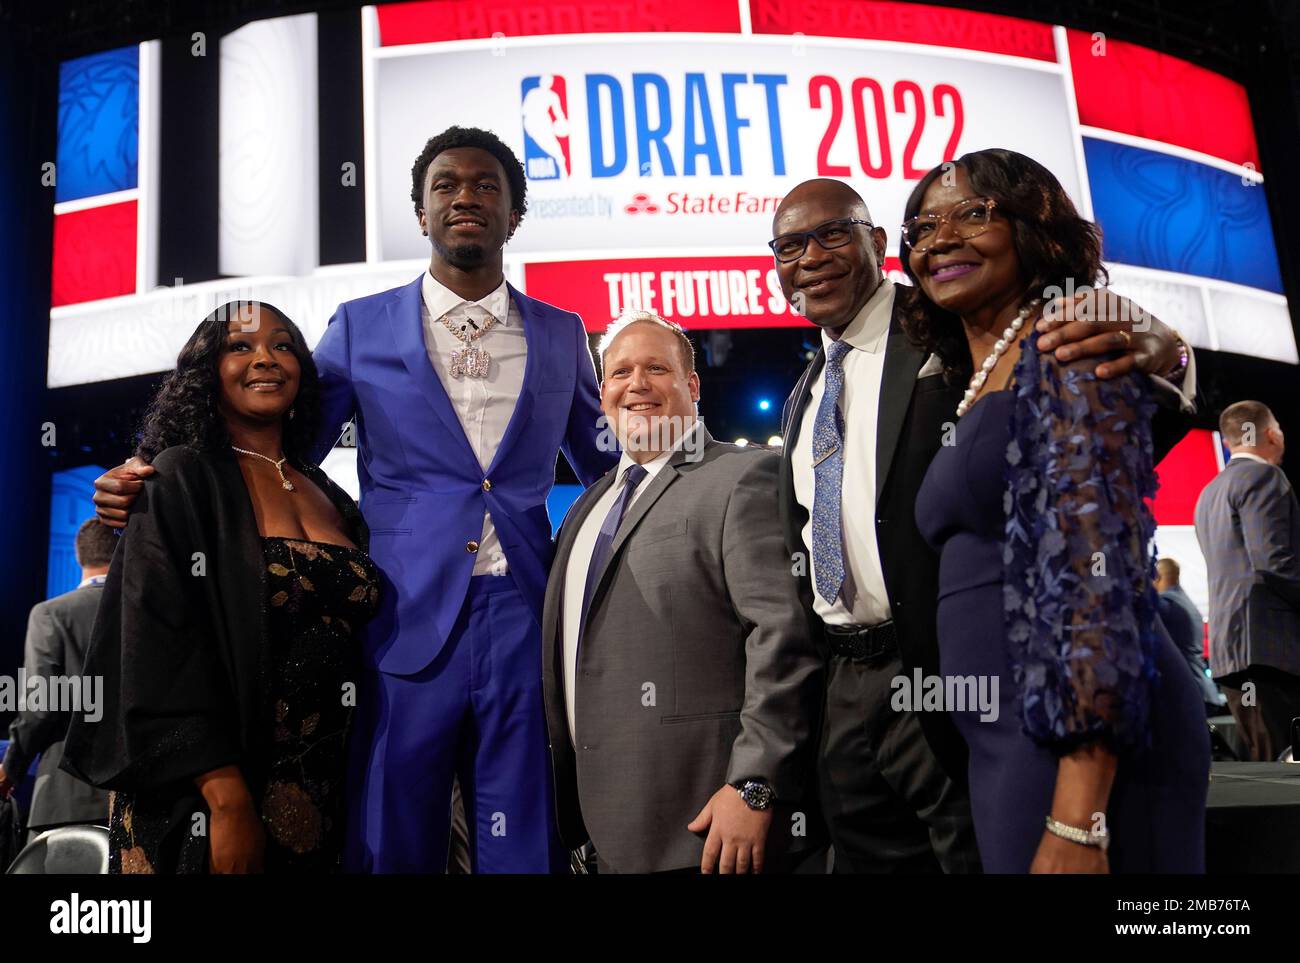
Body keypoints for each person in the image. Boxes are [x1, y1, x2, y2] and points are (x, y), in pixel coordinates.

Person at [93, 126, 614, 872]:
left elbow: (610, 467)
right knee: (389, 841)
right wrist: (153, 469)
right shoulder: (361, 326)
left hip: (525, 614)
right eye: (446, 186)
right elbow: (280, 444)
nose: (466, 196)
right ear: (421, 211)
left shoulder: (564, 334)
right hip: (401, 616)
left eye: (486, 185)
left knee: (525, 844)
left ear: (514, 214)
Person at [771, 172, 1196, 873]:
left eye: (832, 233)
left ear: (879, 244)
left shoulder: (949, 324)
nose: (809, 256)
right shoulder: (803, 393)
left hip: (962, 684)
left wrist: (1171, 354)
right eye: (789, 246)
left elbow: (1108, 432)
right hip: (844, 693)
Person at [907, 148, 1209, 872]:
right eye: (922, 226)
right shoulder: (972, 376)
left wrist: (1080, 813)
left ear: (1035, 227)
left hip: (1080, 745)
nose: (940, 239)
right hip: (1006, 737)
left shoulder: (1072, 341)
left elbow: (1096, 577)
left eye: (973, 214)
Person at [63, 302, 379, 873]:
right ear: (207, 370)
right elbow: (153, 644)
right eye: (241, 346)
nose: (266, 358)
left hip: (323, 789)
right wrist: (225, 796)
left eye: (283, 346)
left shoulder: (331, 494)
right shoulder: (179, 475)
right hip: (207, 796)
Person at [541, 312, 822, 874]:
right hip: (597, 832)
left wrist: (754, 786)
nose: (637, 384)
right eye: (620, 371)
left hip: (706, 831)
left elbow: (784, 640)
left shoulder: (743, 477)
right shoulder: (585, 507)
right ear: (602, 395)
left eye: (656, 368)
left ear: (692, 386)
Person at [1195, 401, 1300, 760]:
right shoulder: (1265, 477)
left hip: (1232, 651)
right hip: (1271, 650)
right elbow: (1274, 561)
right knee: (1289, 768)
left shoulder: (1209, 493)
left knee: (1270, 768)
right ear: (1271, 434)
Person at [0, 519, 114, 839]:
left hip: (68, 798)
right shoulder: (152, 611)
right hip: (144, 801)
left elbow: (42, 705)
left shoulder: (53, 613)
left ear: (80, 556)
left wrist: (11, 768)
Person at [1154, 558, 1223, 706]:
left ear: (1157, 577)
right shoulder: (1185, 602)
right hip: (1200, 685)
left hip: (1185, 689)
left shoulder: (1166, 604)